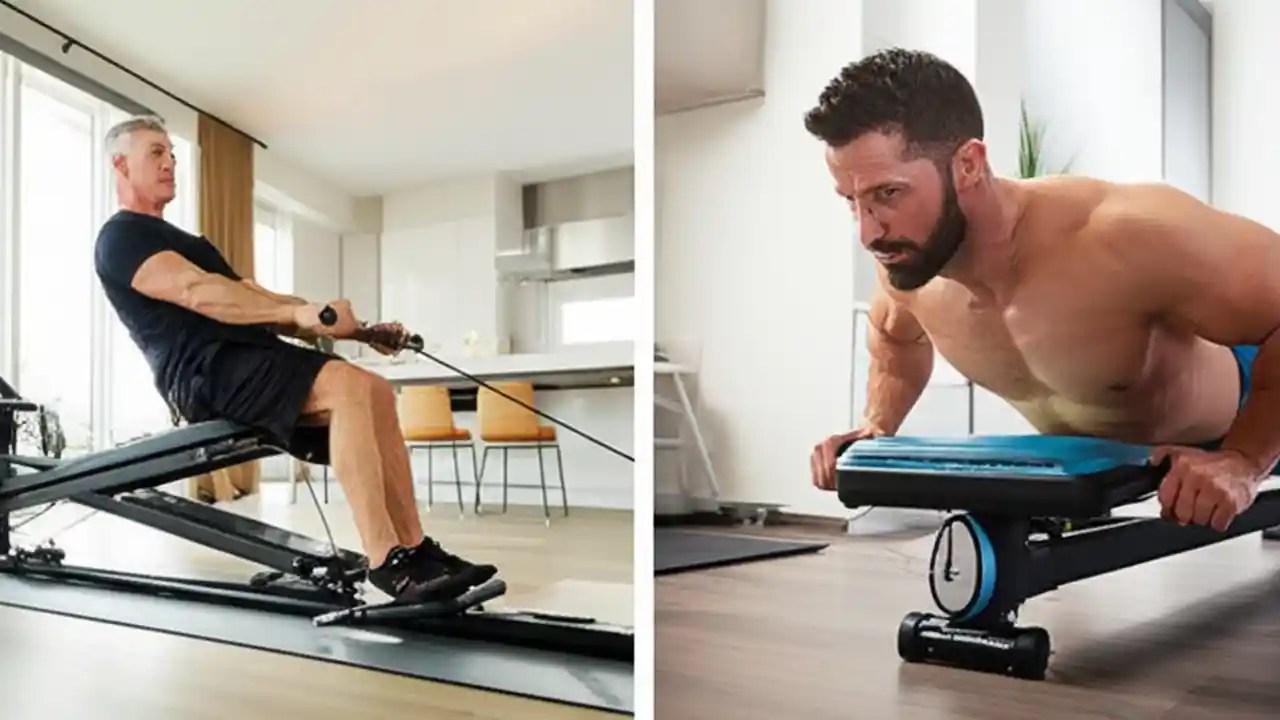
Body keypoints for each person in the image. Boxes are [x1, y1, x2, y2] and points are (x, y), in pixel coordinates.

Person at [804, 48, 1280, 534]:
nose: (867, 233)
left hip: (1252, 393)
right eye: (852, 202)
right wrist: (876, 427)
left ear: (968, 164)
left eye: (888, 194)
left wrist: (1244, 459)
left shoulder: (1121, 233)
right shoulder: (910, 269)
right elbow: (894, 341)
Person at [94, 115, 496, 603]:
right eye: (156, 152)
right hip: (204, 373)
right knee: (347, 388)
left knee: (374, 390)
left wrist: (359, 330)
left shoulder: (191, 243)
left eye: (172, 154)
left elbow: (256, 298)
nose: (170, 162)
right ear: (120, 163)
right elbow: (198, 292)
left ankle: (414, 550)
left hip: (248, 357)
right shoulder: (120, 238)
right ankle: (385, 560)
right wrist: (302, 314)